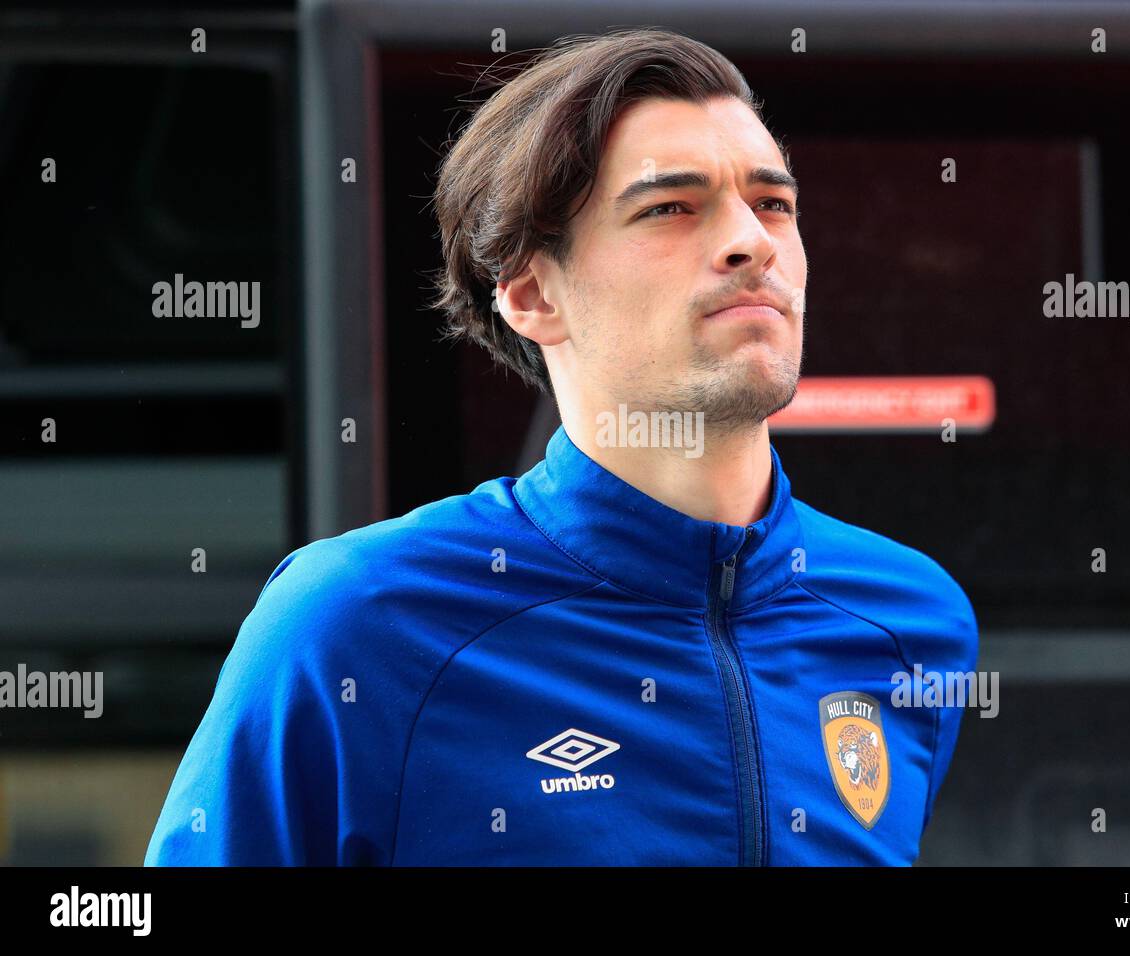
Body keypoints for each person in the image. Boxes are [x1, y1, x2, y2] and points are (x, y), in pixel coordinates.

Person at [145, 26, 977, 866]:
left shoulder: (910, 617)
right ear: (533, 294)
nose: (752, 241)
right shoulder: (360, 623)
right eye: (670, 207)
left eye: (773, 203)